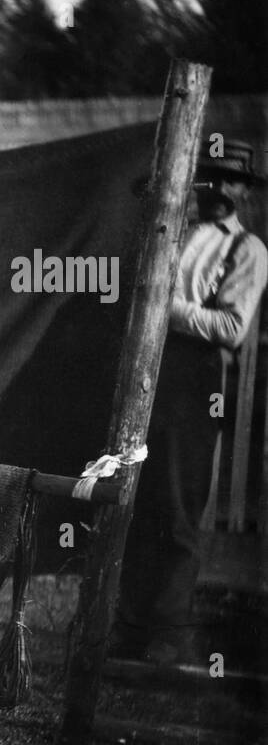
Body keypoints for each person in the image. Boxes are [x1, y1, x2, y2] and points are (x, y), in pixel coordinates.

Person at [113, 137, 267, 663]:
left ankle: (168, 635)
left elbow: (231, 325)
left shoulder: (246, 250)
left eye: (232, 179)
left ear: (244, 190)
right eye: (211, 175)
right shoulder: (172, 236)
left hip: (196, 381)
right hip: (147, 374)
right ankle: (126, 627)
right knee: (134, 502)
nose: (219, 188)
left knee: (179, 509)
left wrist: (166, 308)